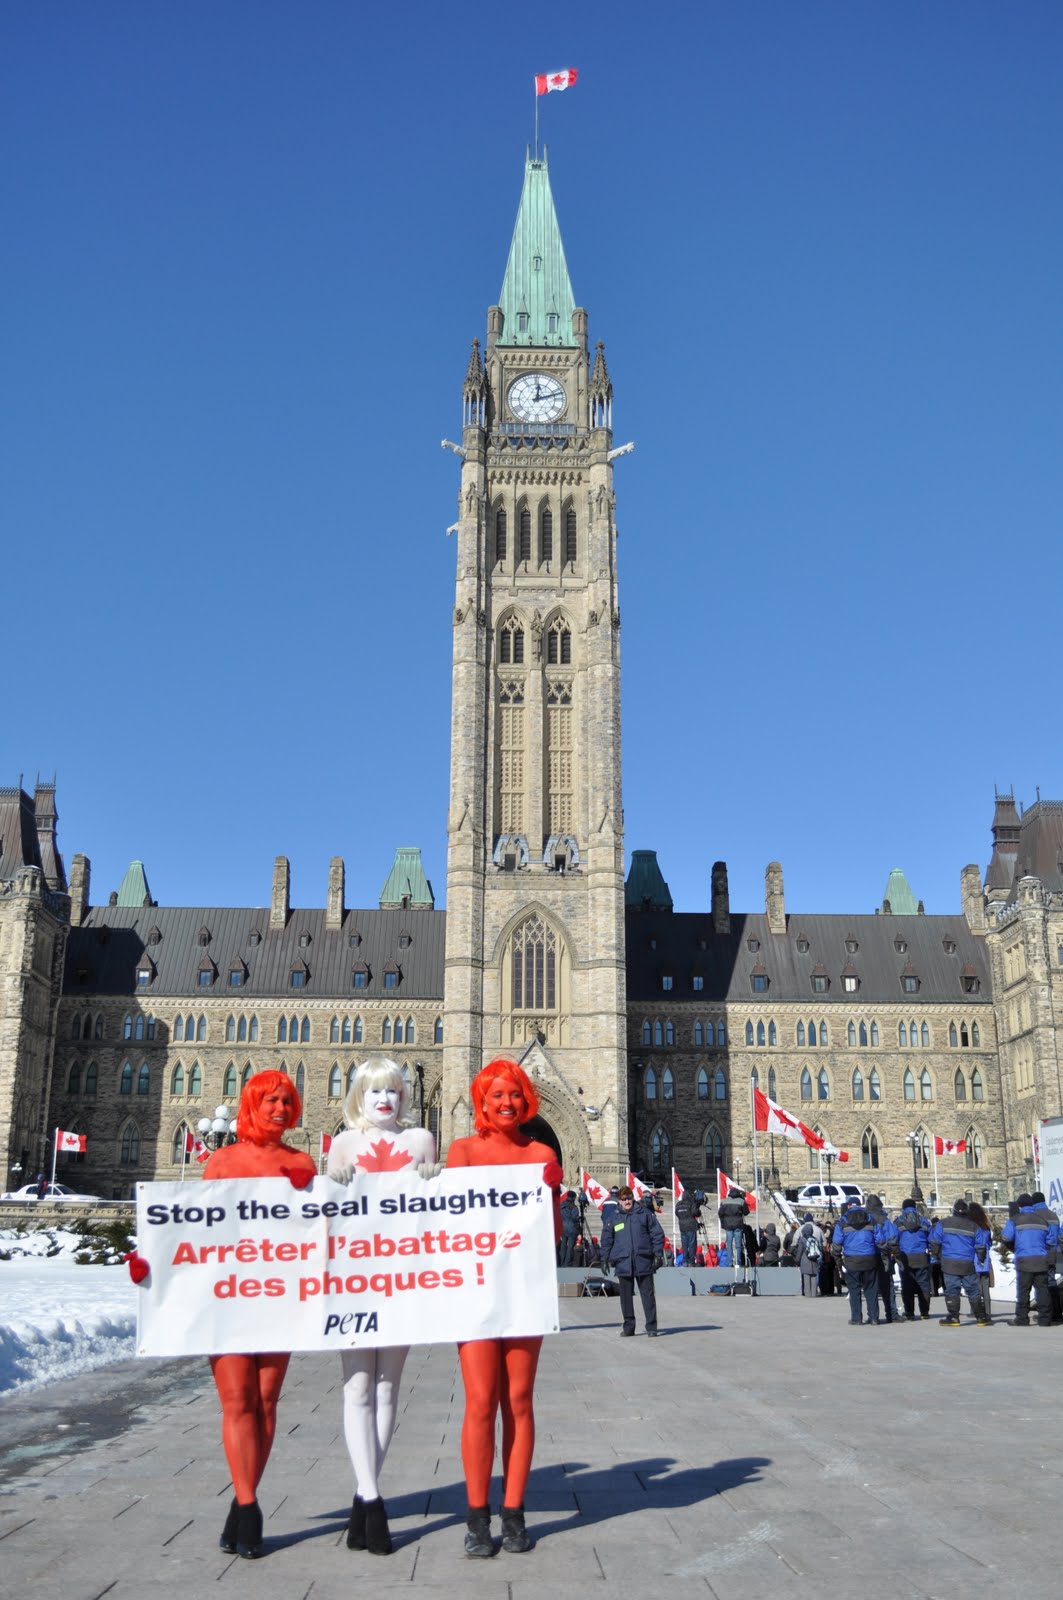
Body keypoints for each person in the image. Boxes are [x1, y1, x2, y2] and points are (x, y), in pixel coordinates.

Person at [445, 1059, 561, 1559]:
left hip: (523, 1292)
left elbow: (551, 1236)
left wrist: (553, 1192)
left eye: (514, 1095)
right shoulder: (463, 1152)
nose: (507, 1103)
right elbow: (448, 1223)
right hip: (474, 1292)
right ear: (481, 1101)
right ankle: (477, 1517)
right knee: (479, 1401)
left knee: (518, 1401)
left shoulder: (540, 1152)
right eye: (497, 1095)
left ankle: (513, 1514)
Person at [201, 1070, 317, 1558]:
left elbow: (318, 1233)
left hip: (279, 1296)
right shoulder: (221, 1160)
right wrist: (152, 1266)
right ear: (251, 1104)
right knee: (237, 1401)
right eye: (270, 1100)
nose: (278, 1109)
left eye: (286, 1101)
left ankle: (240, 1499)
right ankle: (249, 1506)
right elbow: (193, 1232)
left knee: (267, 1400)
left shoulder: (302, 1161)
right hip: (228, 1297)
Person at [326, 1059, 437, 1555]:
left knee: (389, 1386)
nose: (384, 1100)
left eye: (392, 1091)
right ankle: (371, 1499)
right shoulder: (343, 1144)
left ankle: (362, 1492)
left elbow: (436, 1212)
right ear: (359, 1097)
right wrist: (334, 1177)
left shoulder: (423, 1143)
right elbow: (323, 1211)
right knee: (358, 1388)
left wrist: (437, 1179)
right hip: (354, 1281)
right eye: (374, 1092)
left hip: (401, 1278)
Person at [600, 1184, 665, 1338]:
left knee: (648, 1295)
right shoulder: (614, 1218)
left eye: (629, 1198)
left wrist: (658, 1255)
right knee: (626, 1298)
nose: (627, 1201)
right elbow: (607, 1239)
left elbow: (657, 1233)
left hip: (643, 1260)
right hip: (623, 1262)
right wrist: (604, 1258)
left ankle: (651, 1327)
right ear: (619, 1201)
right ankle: (629, 1327)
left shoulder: (645, 1214)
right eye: (623, 1199)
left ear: (633, 1198)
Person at [930, 1198, 991, 1327]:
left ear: (954, 1210)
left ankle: (953, 1317)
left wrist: (935, 1255)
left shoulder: (943, 1223)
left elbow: (935, 1241)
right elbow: (981, 1245)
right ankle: (980, 1317)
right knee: (973, 1289)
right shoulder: (974, 1226)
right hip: (967, 1263)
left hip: (949, 1262)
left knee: (952, 1290)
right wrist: (981, 1258)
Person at [1002, 1191, 1058, 1327]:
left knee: (1023, 1290)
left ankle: (1022, 1318)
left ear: (1020, 1205)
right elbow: (1051, 1240)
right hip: (1041, 1260)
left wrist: (1015, 1247)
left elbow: (1006, 1237)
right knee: (1042, 1289)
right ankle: (1045, 1319)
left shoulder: (1015, 1219)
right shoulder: (1042, 1220)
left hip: (1024, 1260)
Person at [832, 1202, 880, 1325]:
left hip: (852, 1260)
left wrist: (837, 1257)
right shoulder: (870, 1219)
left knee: (854, 1290)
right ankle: (874, 1317)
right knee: (871, 1289)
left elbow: (837, 1242)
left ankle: (856, 1318)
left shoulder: (843, 1221)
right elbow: (880, 1239)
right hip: (869, 1258)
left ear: (849, 1207)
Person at [895, 1198, 933, 1320]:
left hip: (905, 1257)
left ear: (903, 1208)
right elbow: (931, 1239)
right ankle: (924, 1312)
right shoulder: (924, 1221)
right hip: (921, 1256)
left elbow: (893, 1239)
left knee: (907, 1285)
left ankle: (909, 1312)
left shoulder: (898, 1222)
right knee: (924, 1285)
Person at [966, 1200, 995, 1321]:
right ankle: (987, 1311)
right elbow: (989, 1242)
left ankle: (975, 1310)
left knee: (974, 1287)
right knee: (985, 1287)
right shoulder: (986, 1226)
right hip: (985, 1259)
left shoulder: (971, 1226)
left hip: (974, 1258)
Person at [718, 1187, 750, 1268]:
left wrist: (723, 1223)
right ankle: (738, 1262)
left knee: (729, 1244)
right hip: (738, 1225)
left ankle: (729, 1262)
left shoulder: (724, 1201)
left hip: (728, 1225)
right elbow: (746, 1212)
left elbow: (720, 1213)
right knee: (738, 1244)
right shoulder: (741, 1201)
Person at [674, 1187, 700, 1268]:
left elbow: (676, 1213)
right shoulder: (691, 1203)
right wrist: (698, 1210)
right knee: (692, 1244)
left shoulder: (678, 1204)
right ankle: (691, 1261)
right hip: (691, 1226)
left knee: (684, 1244)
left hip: (682, 1227)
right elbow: (695, 1212)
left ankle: (685, 1261)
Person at [794, 1221, 822, 1295]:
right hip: (814, 1262)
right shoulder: (815, 1239)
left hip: (805, 1262)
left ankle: (808, 1296)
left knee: (806, 1280)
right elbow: (819, 1249)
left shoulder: (802, 1239)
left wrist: (797, 1261)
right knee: (813, 1279)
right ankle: (813, 1295)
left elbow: (799, 1252)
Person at [558, 1190, 580, 1267]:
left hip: (563, 1228)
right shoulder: (574, 1207)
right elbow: (575, 1218)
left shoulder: (561, 1205)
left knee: (563, 1246)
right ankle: (566, 1263)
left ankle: (561, 1262)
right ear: (573, 1198)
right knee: (570, 1247)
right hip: (571, 1228)